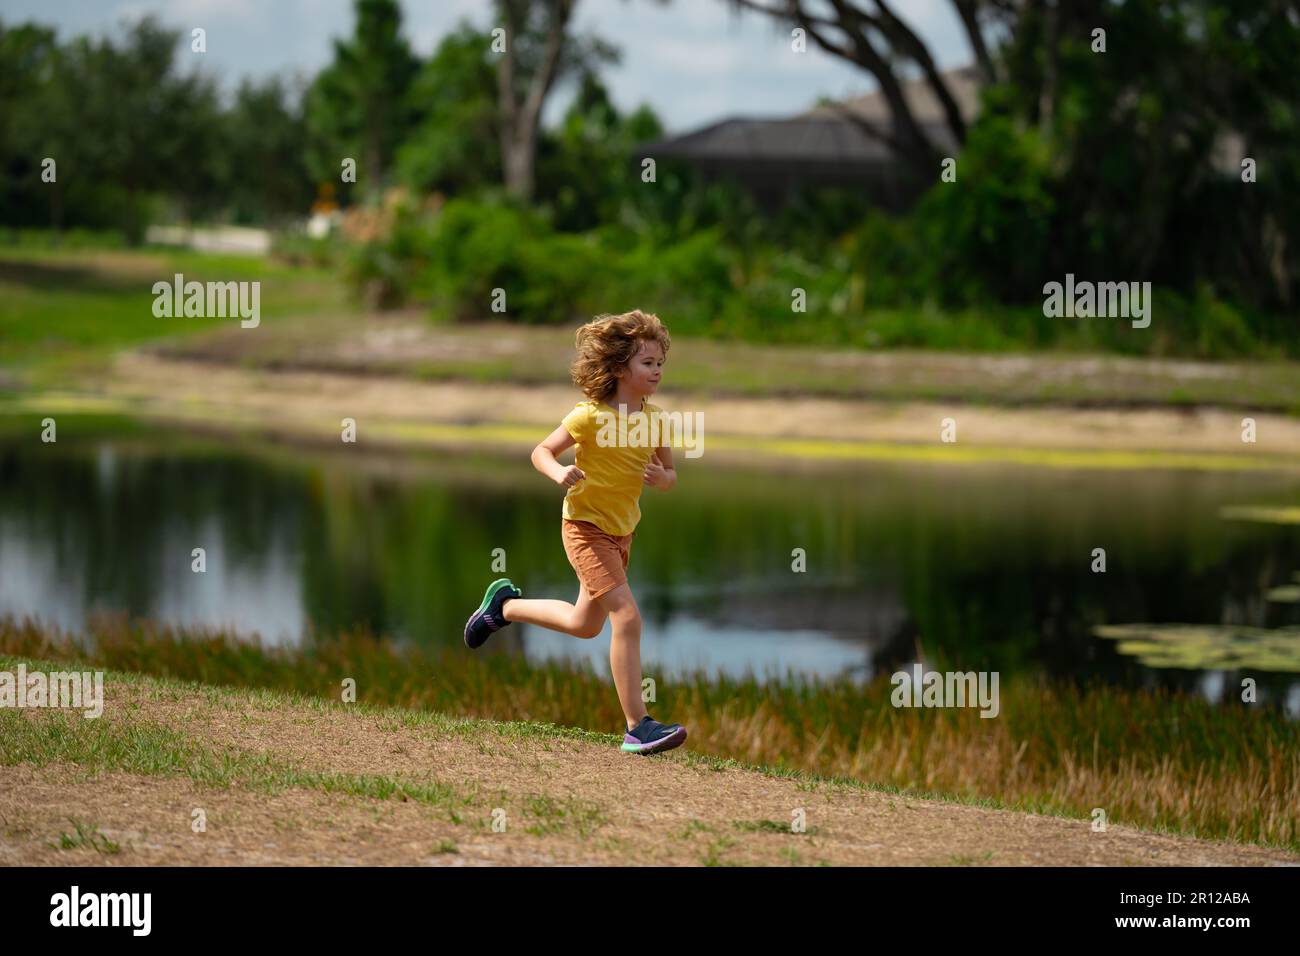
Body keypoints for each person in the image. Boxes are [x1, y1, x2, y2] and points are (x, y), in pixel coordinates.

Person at [463, 309, 687, 755]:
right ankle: (636, 726)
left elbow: (671, 475)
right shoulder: (587, 417)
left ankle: (504, 609)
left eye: (661, 362)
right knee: (627, 616)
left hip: (622, 532)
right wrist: (557, 472)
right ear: (620, 367)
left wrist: (661, 479)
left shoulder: (659, 420)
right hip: (585, 529)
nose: (657, 371)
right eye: (648, 363)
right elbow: (540, 451)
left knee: (584, 625)